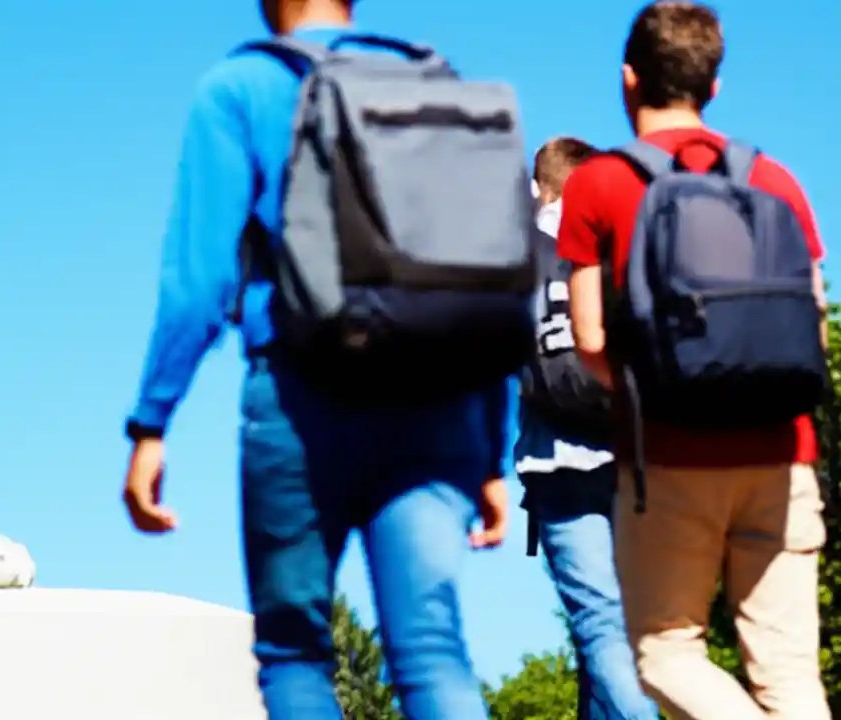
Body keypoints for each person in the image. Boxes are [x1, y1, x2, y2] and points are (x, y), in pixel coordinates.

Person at [118, 0, 518, 717]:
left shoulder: (239, 87)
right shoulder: (433, 79)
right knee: (431, 650)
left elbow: (201, 279)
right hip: (437, 401)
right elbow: (486, 275)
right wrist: (493, 453)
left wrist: (152, 422)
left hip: (300, 402)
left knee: (295, 652)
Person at [558, 3, 830, 718]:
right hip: (783, 454)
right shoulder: (777, 180)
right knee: (791, 677)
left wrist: (658, 391)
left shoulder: (597, 185)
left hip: (669, 455)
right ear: (713, 86)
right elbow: (815, 328)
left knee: (668, 654)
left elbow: (589, 339)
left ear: (628, 79)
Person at [517, 136, 659, 720]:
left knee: (599, 627)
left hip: (559, 466)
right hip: (637, 464)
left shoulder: (518, 259)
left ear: (538, 189)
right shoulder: (617, 254)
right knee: (615, 633)